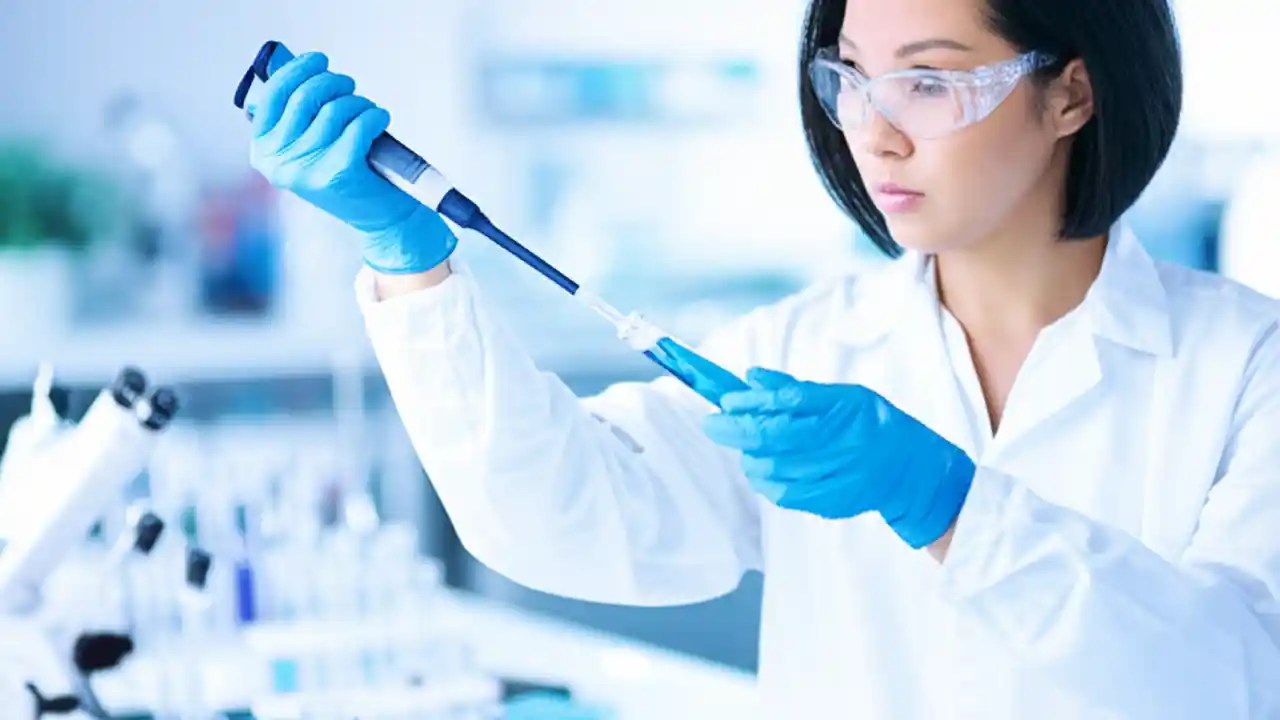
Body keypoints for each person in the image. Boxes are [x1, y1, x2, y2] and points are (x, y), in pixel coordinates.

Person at [245, 0, 1280, 716]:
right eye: (849, 78)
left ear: (1070, 95)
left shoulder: (1244, 367)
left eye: (927, 82)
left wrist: (951, 504)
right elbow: (561, 519)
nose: (872, 132)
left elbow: (1235, 683)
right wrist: (410, 262)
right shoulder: (804, 346)